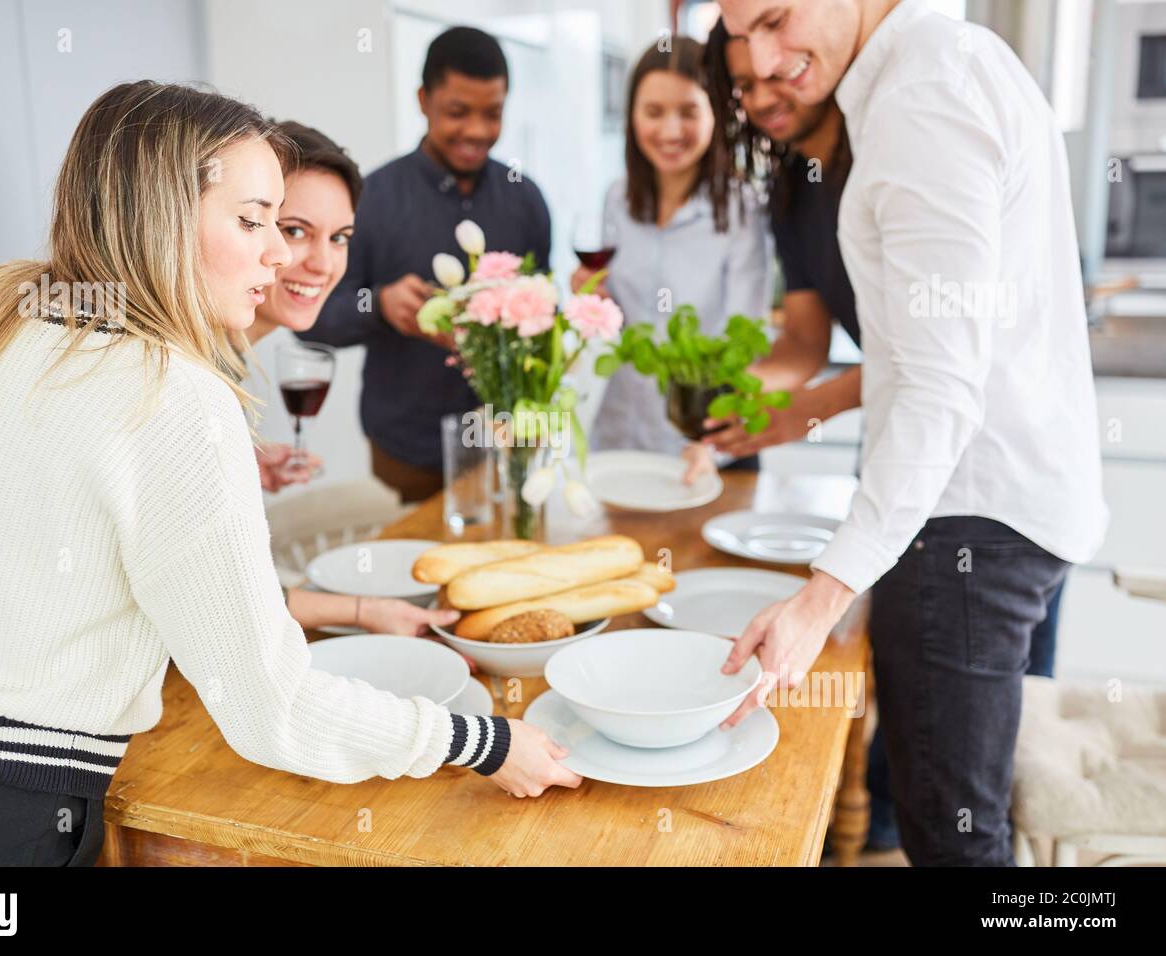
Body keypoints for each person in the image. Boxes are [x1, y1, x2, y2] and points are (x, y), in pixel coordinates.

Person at [0, 81, 580, 866]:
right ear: (160, 214)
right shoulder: (172, 392)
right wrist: (480, 741)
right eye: (253, 222)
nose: (278, 254)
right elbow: (271, 707)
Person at [715, 0, 1106, 866]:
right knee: (970, 824)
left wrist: (821, 598)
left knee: (956, 848)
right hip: (1004, 510)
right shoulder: (935, 69)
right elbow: (933, 349)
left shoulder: (920, 98)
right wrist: (806, 409)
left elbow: (937, 384)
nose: (769, 60)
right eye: (746, 36)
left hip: (964, 525)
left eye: (776, 19)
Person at [301, 26, 552, 502]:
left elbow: (544, 319)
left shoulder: (526, 200)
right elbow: (310, 317)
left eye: (492, 113)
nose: (477, 131)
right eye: (458, 112)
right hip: (406, 450)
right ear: (423, 99)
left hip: (509, 446)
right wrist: (378, 306)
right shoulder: (369, 198)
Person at [239, 120, 461, 639]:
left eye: (340, 238)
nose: (322, 263)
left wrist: (237, 465)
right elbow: (216, 601)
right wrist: (362, 611)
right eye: (296, 230)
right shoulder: (188, 373)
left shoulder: (230, 359)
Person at [572, 36, 772, 478]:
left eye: (688, 112)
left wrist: (713, 444)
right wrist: (592, 300)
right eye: (654, 112)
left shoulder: (741, 208)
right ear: (632, 117)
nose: (670, 131)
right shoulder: (618, 199)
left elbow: (748, 340)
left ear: (715, 114)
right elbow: (615, 322)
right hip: (623, 436)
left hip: (706, 442)